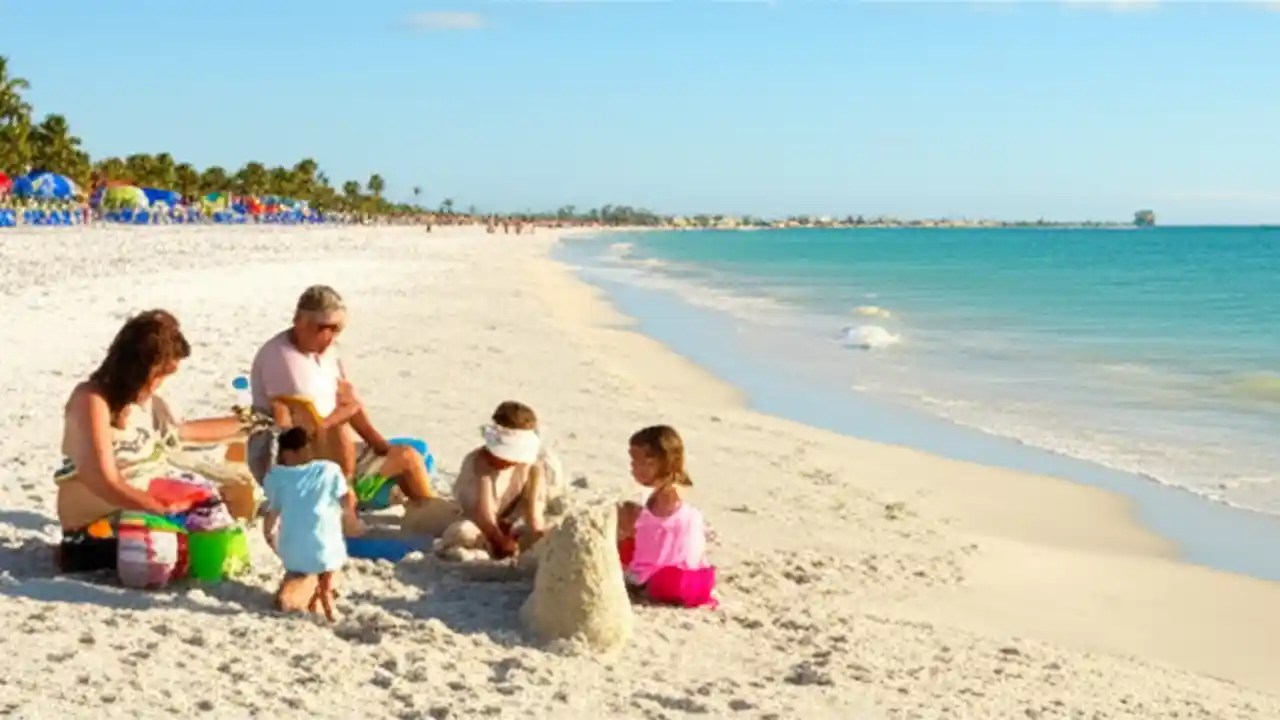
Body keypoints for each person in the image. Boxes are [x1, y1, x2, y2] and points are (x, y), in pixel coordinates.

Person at [55, 310, 247, 573]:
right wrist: (163, 509)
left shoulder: (148, 403)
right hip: (96, 529)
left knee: (219, 515)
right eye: (160, 374)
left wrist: (252, 422)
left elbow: (184, 433)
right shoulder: (92, 401)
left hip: (141, 510)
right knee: (161, 554)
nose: (160, 384)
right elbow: (104, 480)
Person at [247, 285, 433, 518]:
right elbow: (306, 431)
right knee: (402, 456)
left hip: (330, 449)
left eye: (336, 330)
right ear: (299, 321)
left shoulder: (325, 351)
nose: (330, 337)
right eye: (323, 329)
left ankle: (422, 512)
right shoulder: (283, 360)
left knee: (413, 453)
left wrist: (379, 444)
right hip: (306, 460)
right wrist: (345, 414)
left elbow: (349, 403)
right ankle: (354, 497)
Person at [441, 401, 555, 560]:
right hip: (476, 523)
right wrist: (498, 539)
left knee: (547, 536)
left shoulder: (531, 467)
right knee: (461, 532)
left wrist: (535, 532)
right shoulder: (478, 464)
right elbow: (483, 514)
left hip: (511, 521)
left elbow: (534, 516)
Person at [262, 427, 352, 621]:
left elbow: (271, 515)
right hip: (327, 548)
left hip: (293, 553)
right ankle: (326, 593)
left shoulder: (276, 477)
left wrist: (271, 538)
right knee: (329, 554)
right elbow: (347, 499)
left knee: (300, 563)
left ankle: (315, 592)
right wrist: (351, 519)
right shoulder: (329, 469)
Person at [616, 426, 713, 600]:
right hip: (697, 579)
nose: (631, 468)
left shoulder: (666, 497)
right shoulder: (683, 491)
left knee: (623, 515)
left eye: (635, 462)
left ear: (653, 463)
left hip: (664, 581)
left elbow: (657, 535)